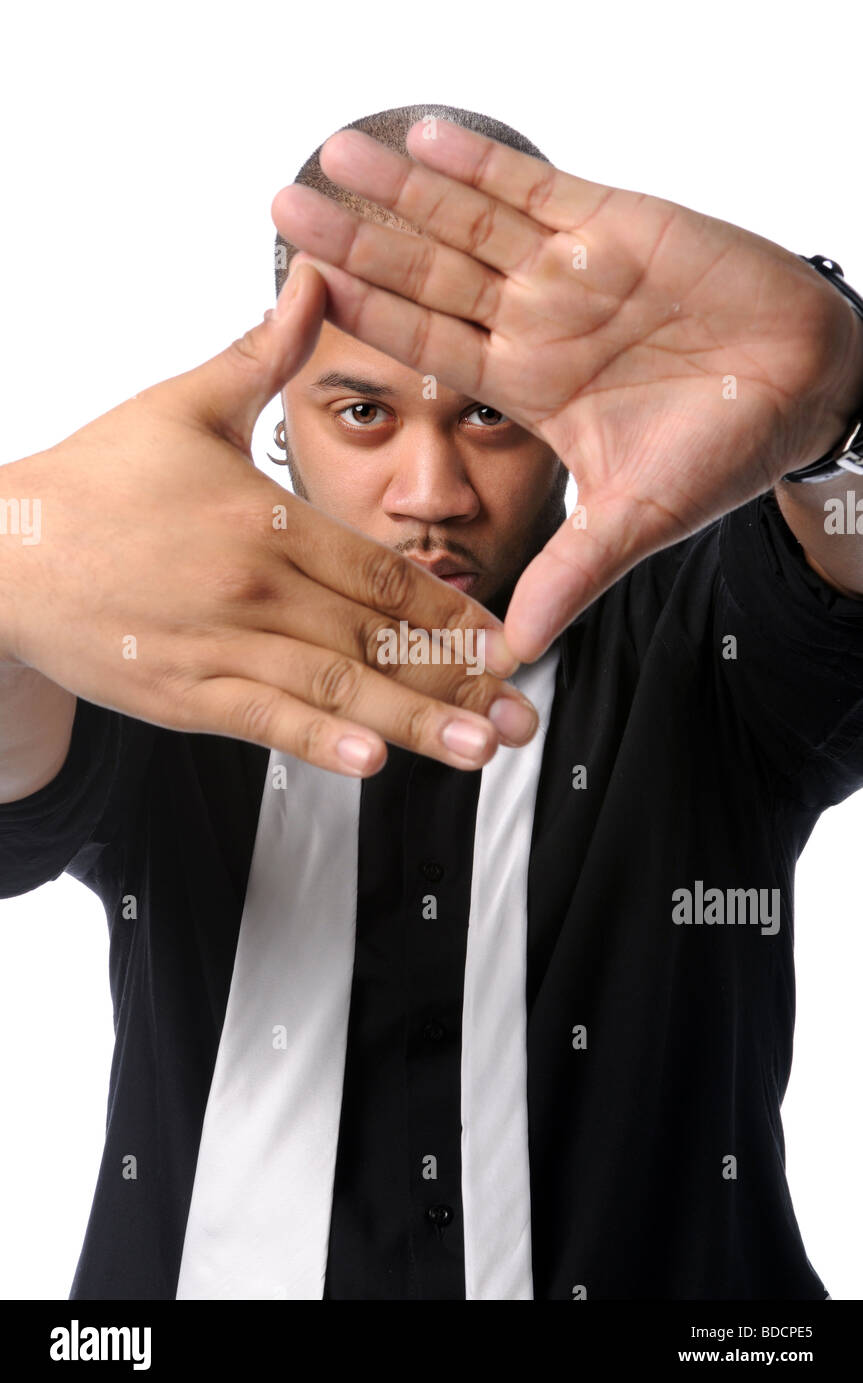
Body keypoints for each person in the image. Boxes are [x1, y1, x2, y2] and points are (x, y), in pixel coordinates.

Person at [1, 101, 862, 1300]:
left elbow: (845, 570)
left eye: (488, 414)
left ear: (570, 418)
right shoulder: (174, 652)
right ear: (279, 425)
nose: (431, 491)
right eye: (361, 413)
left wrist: (836, 409)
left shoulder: (704, 636)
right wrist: (13, 572)